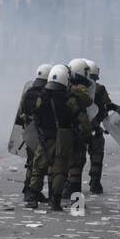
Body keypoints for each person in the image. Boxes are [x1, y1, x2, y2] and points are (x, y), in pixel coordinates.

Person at [25, 64, 88, 212]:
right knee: (60, 169)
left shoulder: (42, 97)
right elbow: (81, 119)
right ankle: (55, 201)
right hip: (64, 137)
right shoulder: (69, 99)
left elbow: (35, 114)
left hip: (45, 136)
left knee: (38, 167)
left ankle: (32, 197)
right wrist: (84, 135)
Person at [16, 64, 51, 202]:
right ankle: (33, 192)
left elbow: (21, 113)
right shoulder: (46, 94)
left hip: (30, 132)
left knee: (31, 163)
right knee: (41, 165)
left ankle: (28, 190)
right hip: (43, 132)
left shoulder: (28, 92)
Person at [63, 57, 96, 200]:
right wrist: (88, 135)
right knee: (76, 163)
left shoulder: (63, 87)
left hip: (63, 132)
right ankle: (74, 196)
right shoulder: (79, 91)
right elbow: (87, 104)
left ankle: (61, 191)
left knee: (64, 162)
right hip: (76, 131)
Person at [85, 60, 117, 194]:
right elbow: (107, 106)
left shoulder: (74, 88)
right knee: (97, 157)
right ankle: (95, 183)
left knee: (74, 158)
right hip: (95, 129)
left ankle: (70, 184)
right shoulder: (100, 89)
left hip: (78, 130)